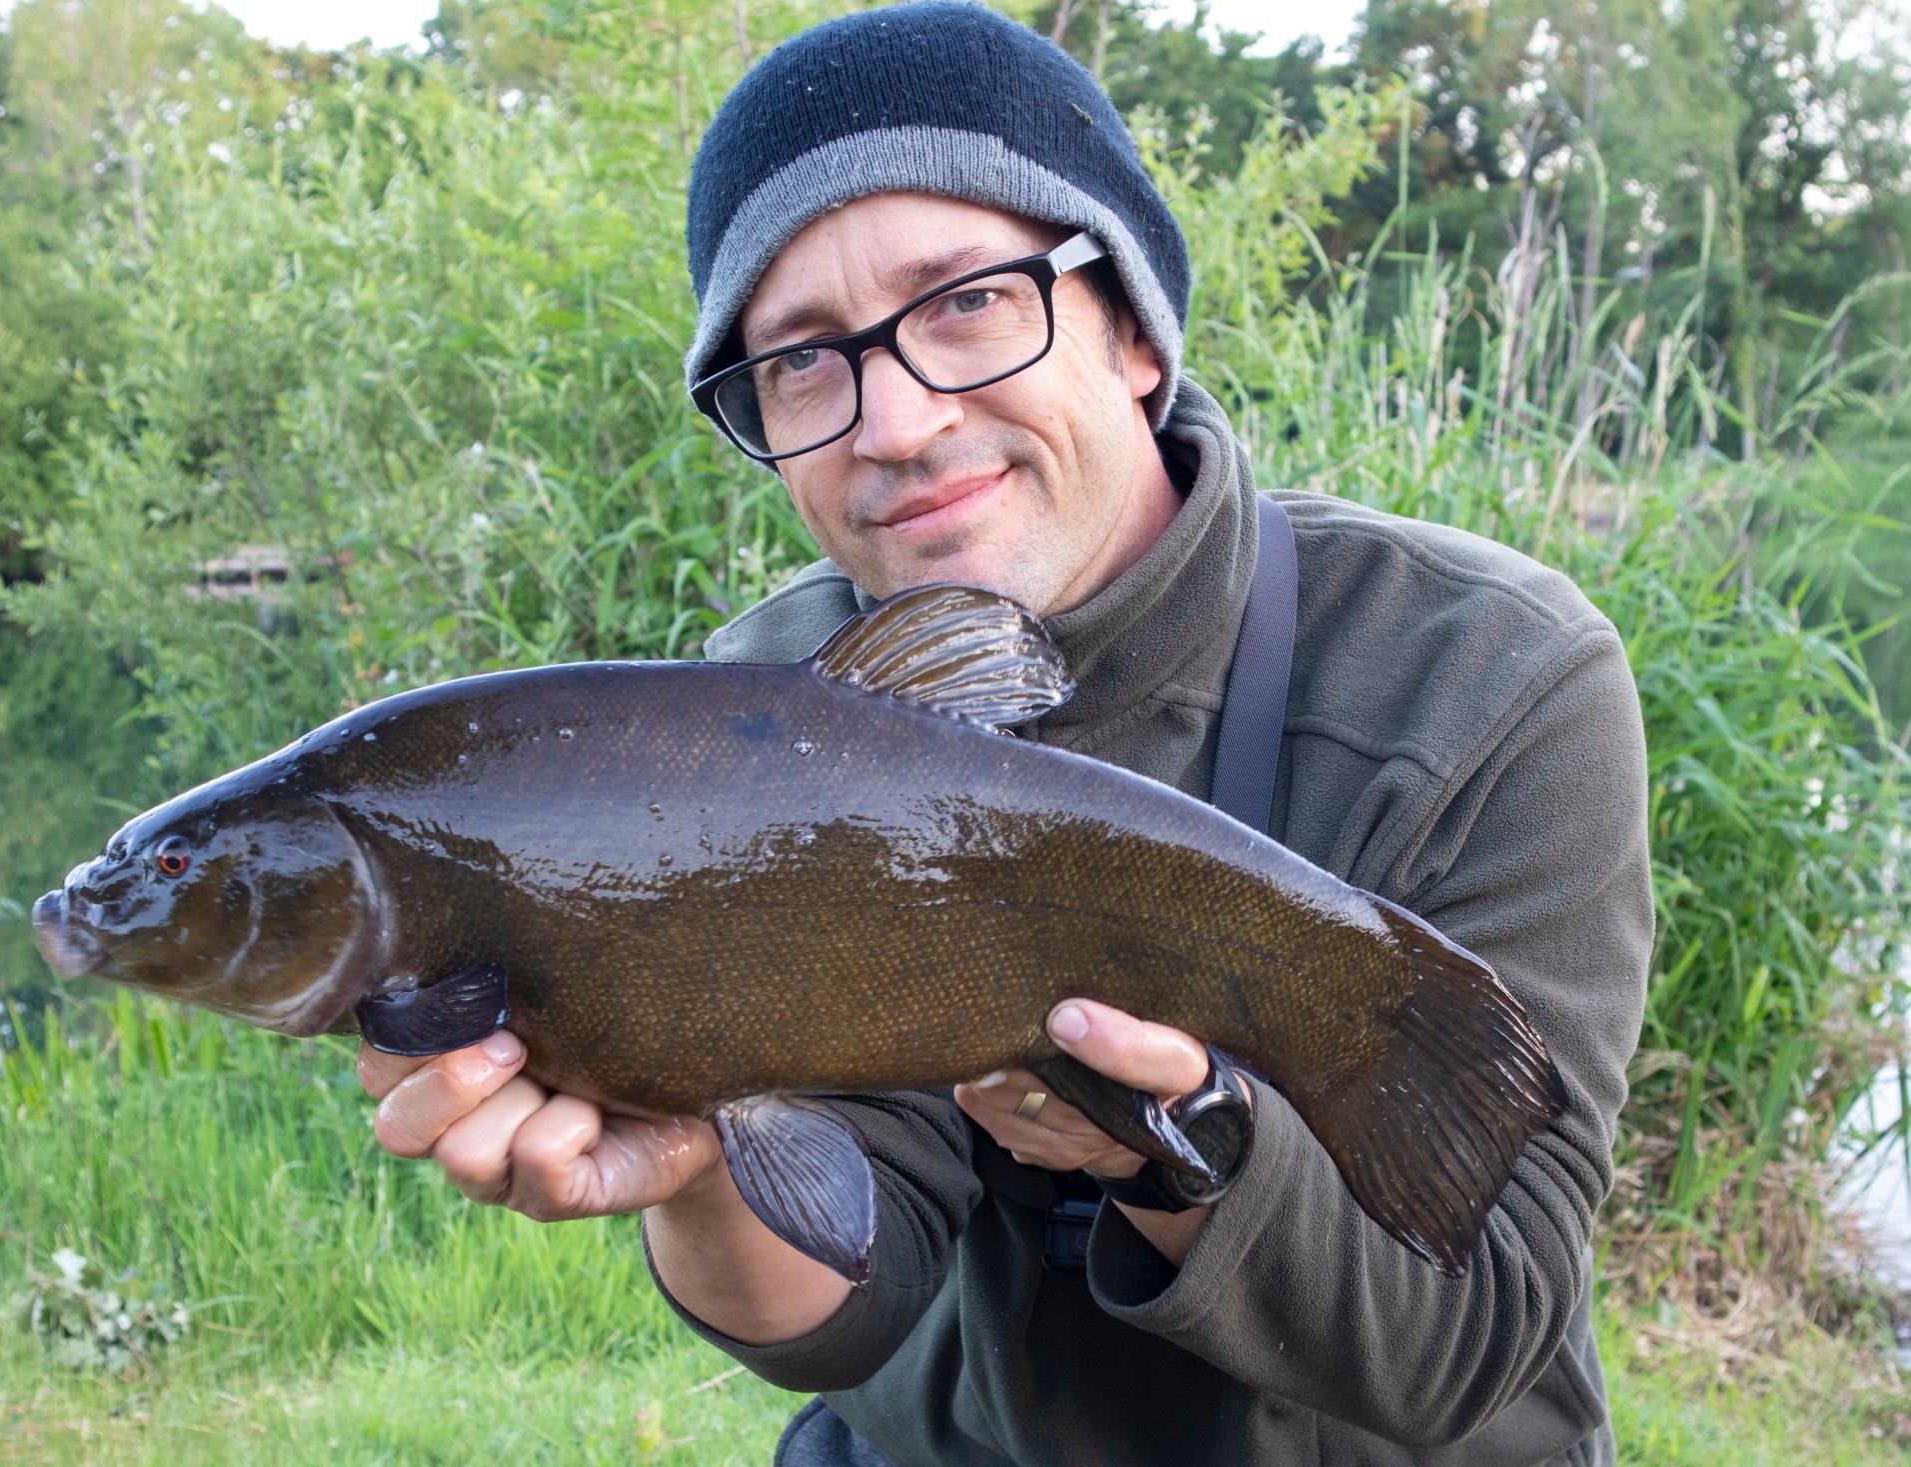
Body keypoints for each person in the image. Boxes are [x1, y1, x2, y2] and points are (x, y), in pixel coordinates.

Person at [355, 7, 1652, 1464]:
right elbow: (853, 1300)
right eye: (800, 362)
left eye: (967, 300)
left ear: (1135, 335)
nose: (895, 422)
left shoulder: (1484, 670)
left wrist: (1180, 1140)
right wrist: (694, 1163)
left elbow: (1467, 1344)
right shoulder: (760, 711)